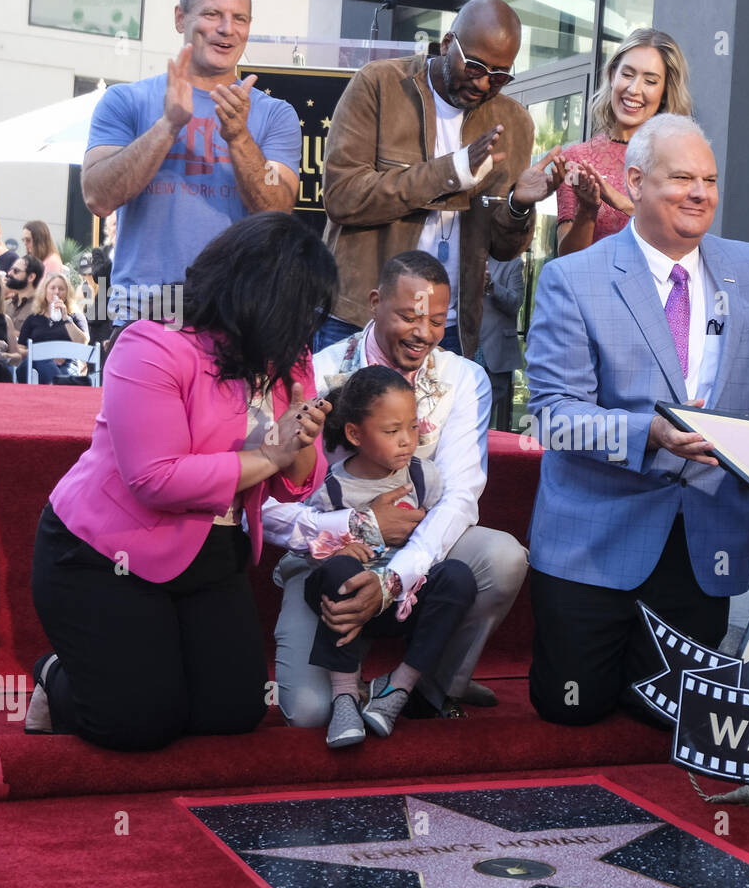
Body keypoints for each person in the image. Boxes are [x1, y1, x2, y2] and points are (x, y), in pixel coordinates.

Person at [524, 115, 749, 726]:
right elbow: (554, 418)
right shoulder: (573, 278)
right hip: (595, 536)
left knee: (670, 716)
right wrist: (651, 435)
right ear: (635, 182)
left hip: (702, 537)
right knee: (572, 708)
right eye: (683, 178)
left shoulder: (748, 266)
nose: (700, 193)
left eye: (711, 181)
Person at [27, 212, 331, 751]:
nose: (311, 323)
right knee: (138, 725)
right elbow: (155, 478)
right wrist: (272, 453)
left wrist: (299, 449)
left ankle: (147, 668)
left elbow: (299, 481)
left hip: (213, 555)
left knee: (232, 713)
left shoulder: (291, 355)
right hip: (104, 555)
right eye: (302, 305)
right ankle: (56, 674)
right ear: (257, 293)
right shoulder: (153, 343)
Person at [264, 250, 528, 726]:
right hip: (329, 556)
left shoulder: (463, 379)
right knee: (307, 713)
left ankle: (430, 683)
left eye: (437, 320)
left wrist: (392, 579)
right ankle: (354, 686)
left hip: (420, 546)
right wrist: (362, 527)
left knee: (503, 556)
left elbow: (460, 498)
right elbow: (264, 509)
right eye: (409, 316)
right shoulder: (317, 372)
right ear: (373, 302)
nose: (423, 333)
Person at [320, 0, 566, 357]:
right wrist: (452, 173)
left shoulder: (513, 122)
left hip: (446, 327)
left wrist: (517, 206)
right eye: (476, 67)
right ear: (449, 44)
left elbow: (503, 248)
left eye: (499, 75)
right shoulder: (381, 85)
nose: (484, 83)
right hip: (359, 315)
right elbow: (342, 197)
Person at [81, 0, 301, 343]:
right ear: (181, 17)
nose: (227, 28)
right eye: (212, 14)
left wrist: (239, 138)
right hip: (146, 309)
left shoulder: (275, 114)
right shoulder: (125, 100)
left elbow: (277, 209)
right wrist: (168, 125)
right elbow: (98, 197)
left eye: (239, 18)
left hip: (236, 309)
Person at [279, 365, 478, 746]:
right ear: (355, 433)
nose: (406, 441)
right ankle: (344, 696)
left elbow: (437, 535)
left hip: (399, 599)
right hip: (343, 606)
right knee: (340, 567)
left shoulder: (425, 477)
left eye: (413, 428)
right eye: (392, 431)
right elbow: (308, 545)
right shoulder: (332, 487)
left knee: (457, 576)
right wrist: (339, 547)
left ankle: (398, 687)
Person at [556, 28, 692, 257]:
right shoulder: (577, 159)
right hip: (594, 290)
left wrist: (621, 202)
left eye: (650, 80)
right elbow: (567, 259)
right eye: (627, 74)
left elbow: (682, 240)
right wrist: (588, 211)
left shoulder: (678, 160)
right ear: (612, 76)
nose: (634, 89)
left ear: (665, 93)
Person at [13, 272, 90, 384]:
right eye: (52, 288)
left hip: (66, 364)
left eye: (61, 289)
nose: (56, 292)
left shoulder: (75, 316)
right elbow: (20, 348)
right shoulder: (33, 318)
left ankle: (58, 387)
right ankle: (60, 387)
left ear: (67, 293)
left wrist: (65, 317)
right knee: (43, 364)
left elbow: (83, 343)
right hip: (35, 363)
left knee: (64, 373)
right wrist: (43, 354)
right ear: (45, 291)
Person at [477, 254, 525, 430]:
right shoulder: (464, 256)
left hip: (496, 351)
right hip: (465, 347)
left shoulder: (513, 263)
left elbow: (516, 303)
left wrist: (492, 286)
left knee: (486, 415)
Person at [3, 254, 44, 343]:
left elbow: (39, 340)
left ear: (31, 277)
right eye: (10, 270)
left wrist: (8, 332)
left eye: (16, 271)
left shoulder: (42, 307)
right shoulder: (5, 304)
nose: (9, 273)